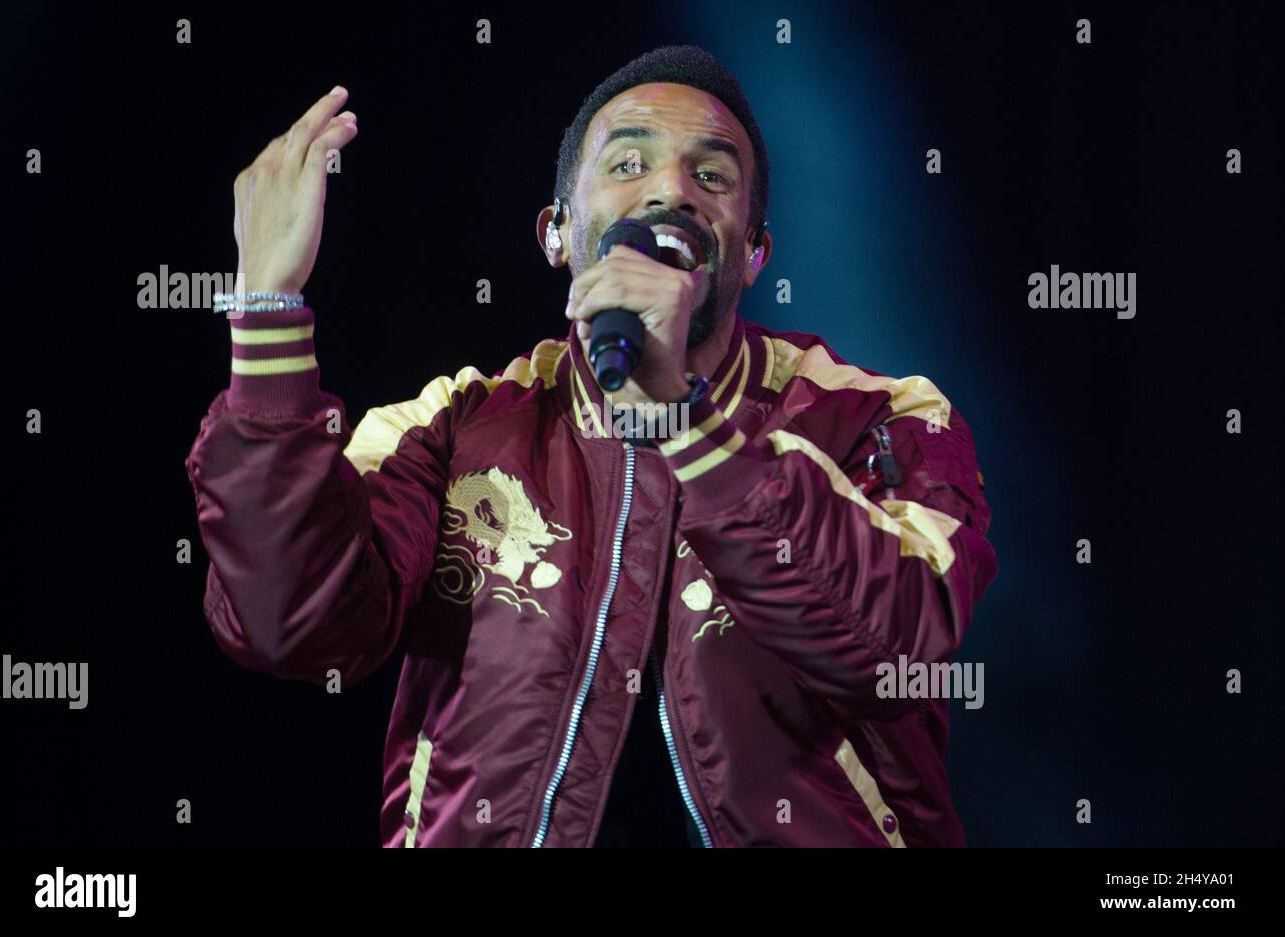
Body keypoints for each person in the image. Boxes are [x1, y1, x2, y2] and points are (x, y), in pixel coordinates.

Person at [186, 45, 998, 847]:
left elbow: (896, 647)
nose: (670, 191)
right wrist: (267, 307)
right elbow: (290, 622)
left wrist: (686, 420)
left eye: (711, 177)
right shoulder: (450, 424)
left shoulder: (881, 416)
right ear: (556, 232)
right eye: (628, 164)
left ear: (754, 254)